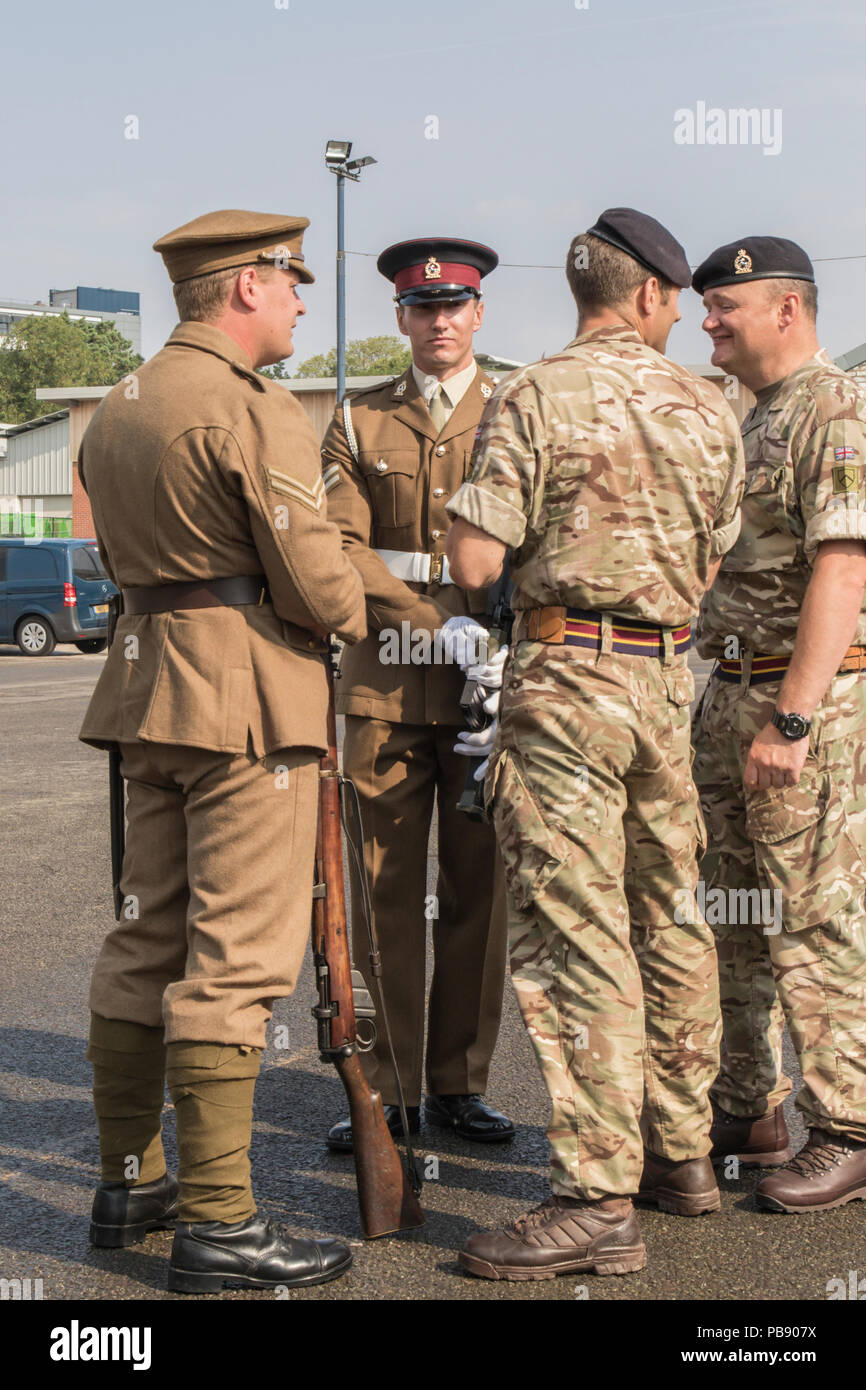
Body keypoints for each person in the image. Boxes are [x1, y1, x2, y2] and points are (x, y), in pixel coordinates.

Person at [446, 208, 746, 1280]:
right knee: (667, 913)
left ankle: (592, 1196)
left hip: (565, 678)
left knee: (576, 933)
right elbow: (713, 560)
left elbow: (476, 560)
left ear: (585, 293)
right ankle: (680, 1157)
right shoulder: (709, 407)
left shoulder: (530, 393)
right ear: (651, 296)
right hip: (664, 680)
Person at [78, 208, 367, 1292]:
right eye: (289, 278)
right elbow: (321, 589)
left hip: (145, 689)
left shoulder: (119, 406)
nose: (298, 295)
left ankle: (129, 1181)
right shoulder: (255, 407)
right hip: (246, 701)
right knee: (236, 963)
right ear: (244, 287)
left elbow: (118, 552)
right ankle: (220, 1224)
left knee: (145, 939)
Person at [321, 237, 514, 1150]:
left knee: (479, 894)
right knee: (382, 893)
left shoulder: (518, 407)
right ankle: (387, 1089)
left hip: (491, 690)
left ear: (479, 315)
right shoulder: (356, 422)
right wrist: (438, 621)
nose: (438, 322)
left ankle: (457, 1084)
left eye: (453, 307)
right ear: (400, 318)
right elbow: (341, 549)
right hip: (388, 688)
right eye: (421, 307)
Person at [690, 236, 866, 1211]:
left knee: (811, 917)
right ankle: (747, 1105)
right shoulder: (753, 413)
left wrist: (790, 719)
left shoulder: (832, 407)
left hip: (802, 703)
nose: (706, 320)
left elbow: (844, 567)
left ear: (786, 312)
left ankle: (847, 1125)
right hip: (730, 693)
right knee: (735, 916)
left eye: (725, 306)